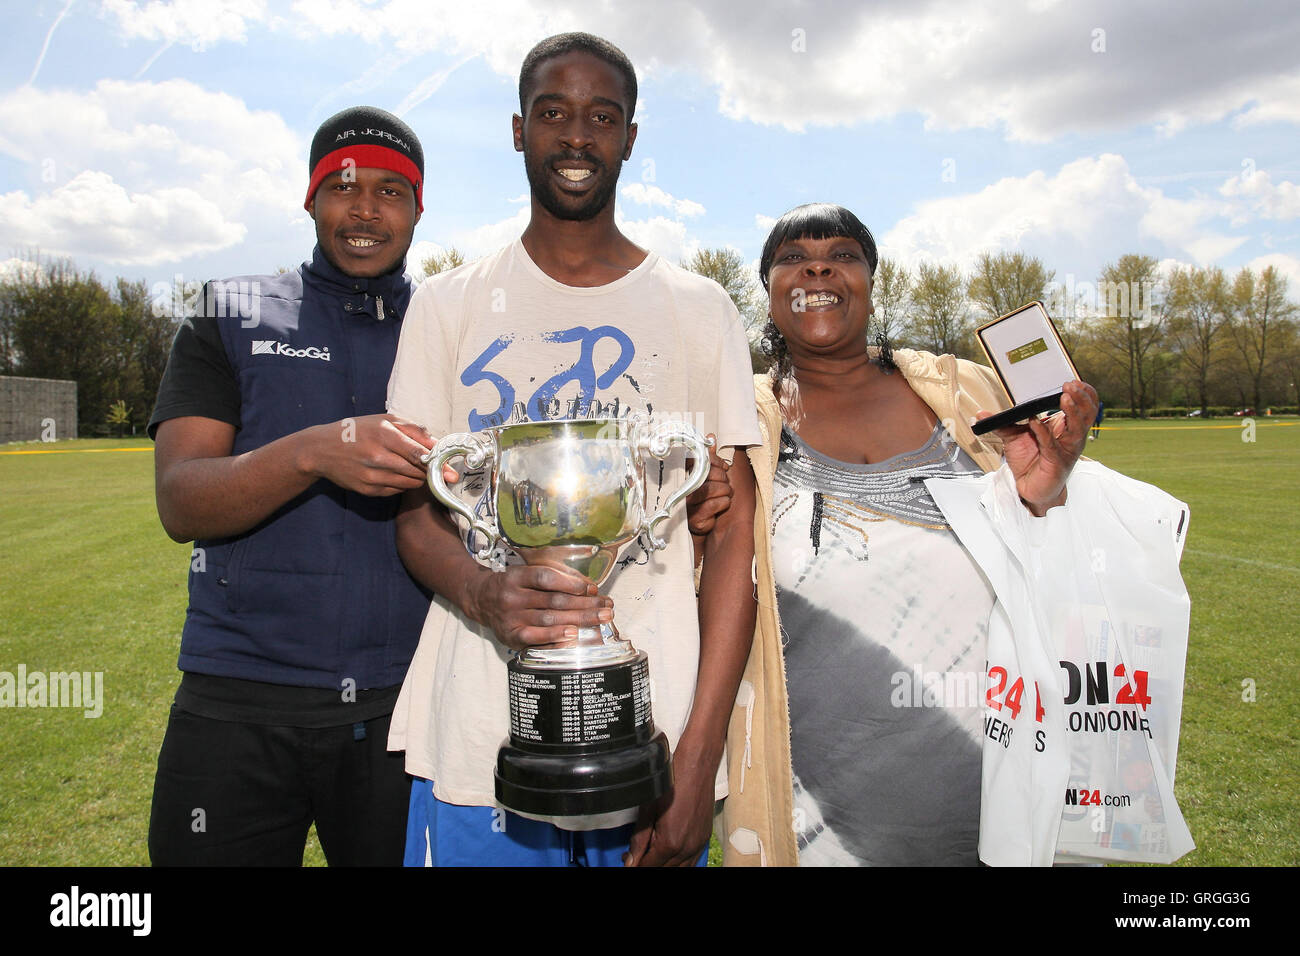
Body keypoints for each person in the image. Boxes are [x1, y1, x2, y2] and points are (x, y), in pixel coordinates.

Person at [385, 32, 760, 867]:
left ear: (630, 137)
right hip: (477, 746)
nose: (577, 137)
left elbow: (736, 543)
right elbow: (414, 516)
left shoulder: (702, 312)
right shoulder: (446, 306)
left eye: (603, 116)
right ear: (519, 130)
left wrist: (696, 762)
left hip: (648, 752)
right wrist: (484, 594)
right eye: (553, 112)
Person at [715, 203, 1099, 866]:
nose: (817, 264)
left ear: (871, 280)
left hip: (1011, 797)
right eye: (792, 256)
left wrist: (1049, 491)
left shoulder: (966, 392)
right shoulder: (736, 423)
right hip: (824, 826)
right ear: (768, 288)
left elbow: (1070, 568)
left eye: (843, 253)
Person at [146, 106, 435, 866]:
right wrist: (310, 453)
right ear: (310, 199)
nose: (366, 209)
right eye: (344, 188)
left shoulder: (451, 324)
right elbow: (181, 498)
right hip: (237, 696)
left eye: (392, 191)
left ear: (419, 207)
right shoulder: (230, 311)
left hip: (404, 707)